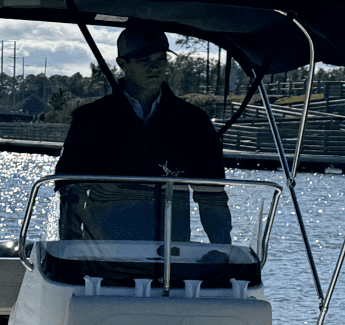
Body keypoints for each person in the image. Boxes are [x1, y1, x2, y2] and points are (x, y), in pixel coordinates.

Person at [55, 27, 232, 244]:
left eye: (161, 58)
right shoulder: (89, 120)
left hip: (170, 258)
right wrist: (68, 253)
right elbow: (69, 192)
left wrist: (223, 253)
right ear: (122, 64)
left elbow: (212, 195)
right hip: (103, 258)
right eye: (143, 60)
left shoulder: (194, 121)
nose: (154, 66)